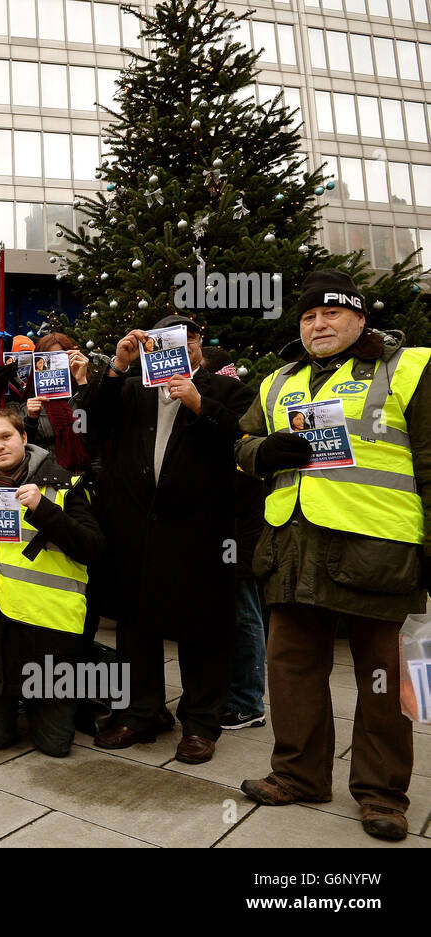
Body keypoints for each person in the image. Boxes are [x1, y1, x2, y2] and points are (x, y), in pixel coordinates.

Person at [235, 269, 431, 841]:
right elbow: (241, 446)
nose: (318, 324)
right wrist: (261, 451)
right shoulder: (279, 382)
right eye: (308, 316)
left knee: (383, 679)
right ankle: (297, 775)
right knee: (292, 669)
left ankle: (382, 795)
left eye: (332, 313)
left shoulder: (409, 369)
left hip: (380, 551)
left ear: (360, 318)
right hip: (293, 549)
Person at [84, 313, 254, 764]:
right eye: (165, 339)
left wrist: (199, 403)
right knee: (136, 626)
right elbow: (92, 427)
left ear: (199, 344)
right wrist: (118, 366)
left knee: (203, 629)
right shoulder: (133, 387)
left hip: (200, 531)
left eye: (189, 337)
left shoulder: (226, 390)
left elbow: (243, 442)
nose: (181, 345)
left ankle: (200, 724)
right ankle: (142, 714)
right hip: (137, 528)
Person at [0, 407, 103, 756]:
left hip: (49, 629)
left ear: (24, 439)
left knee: (56, 746)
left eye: (6, 437)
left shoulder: (65, 485)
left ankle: (92, 672)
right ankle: (16, 699)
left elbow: (93, 549)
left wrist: (44, 509)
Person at [201, 347, 269, 732]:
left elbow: (242, 443)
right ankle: (233, 692)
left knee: (243, 611)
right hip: (216, 523)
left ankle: (247, 701)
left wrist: (201, 403)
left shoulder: (235, 397)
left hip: (238, 523)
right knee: (229, 610)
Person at [20, 332, 93, 474]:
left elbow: (97, 432)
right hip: (46, 480)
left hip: (84, 480)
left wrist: (82, 382)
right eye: (47, 358)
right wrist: (31, 420)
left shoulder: (84, 393)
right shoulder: (30, 404)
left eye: (59, 358)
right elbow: (22, 448)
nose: (53, 364)